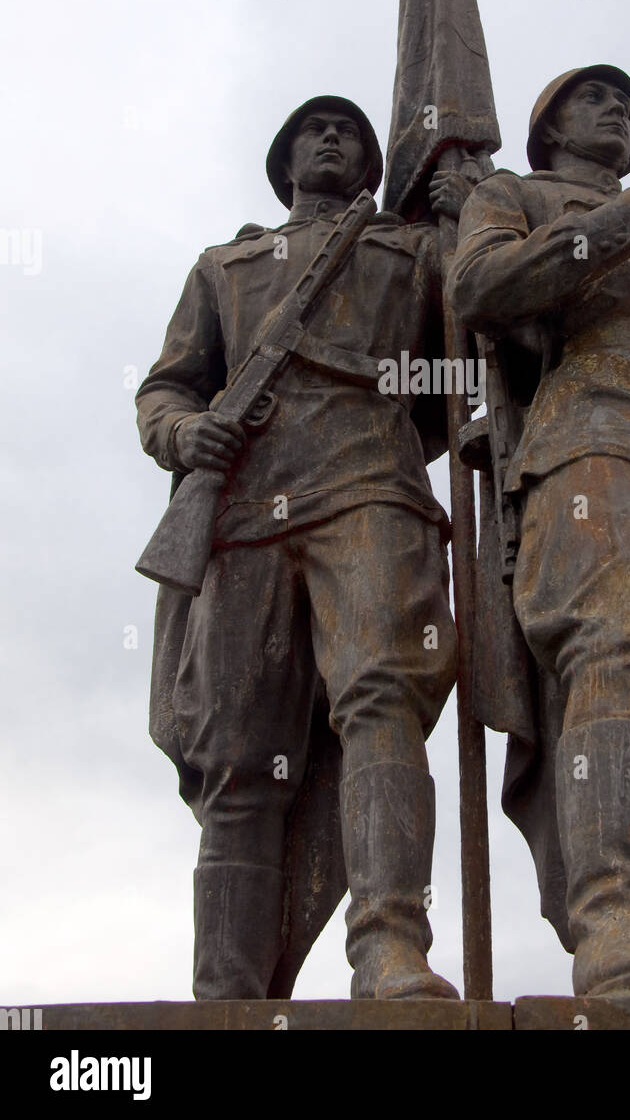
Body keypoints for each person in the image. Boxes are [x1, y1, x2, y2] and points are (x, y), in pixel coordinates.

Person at [136, 95, 464, 1001]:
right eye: (313, 130)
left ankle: (390, 949)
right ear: (284, 163)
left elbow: (468, 362)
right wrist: (184, 433)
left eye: (349, 132)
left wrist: (464, 200)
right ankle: (227, 988)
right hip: (244, 511)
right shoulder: (223, 267)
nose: (332, 139)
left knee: (382, 704)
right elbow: (165, 390)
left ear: (369, 165)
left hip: (371, 487)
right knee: (238, 754)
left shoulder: (410, 253)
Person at [448, 66, 630, 997]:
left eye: (625, 101)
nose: (615, 110)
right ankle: (614, 922)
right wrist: (620, 227)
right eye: (593, 99)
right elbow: (480, 289)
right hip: (589, 439)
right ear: (548, 130)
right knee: (614, 656)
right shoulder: (516, 195)